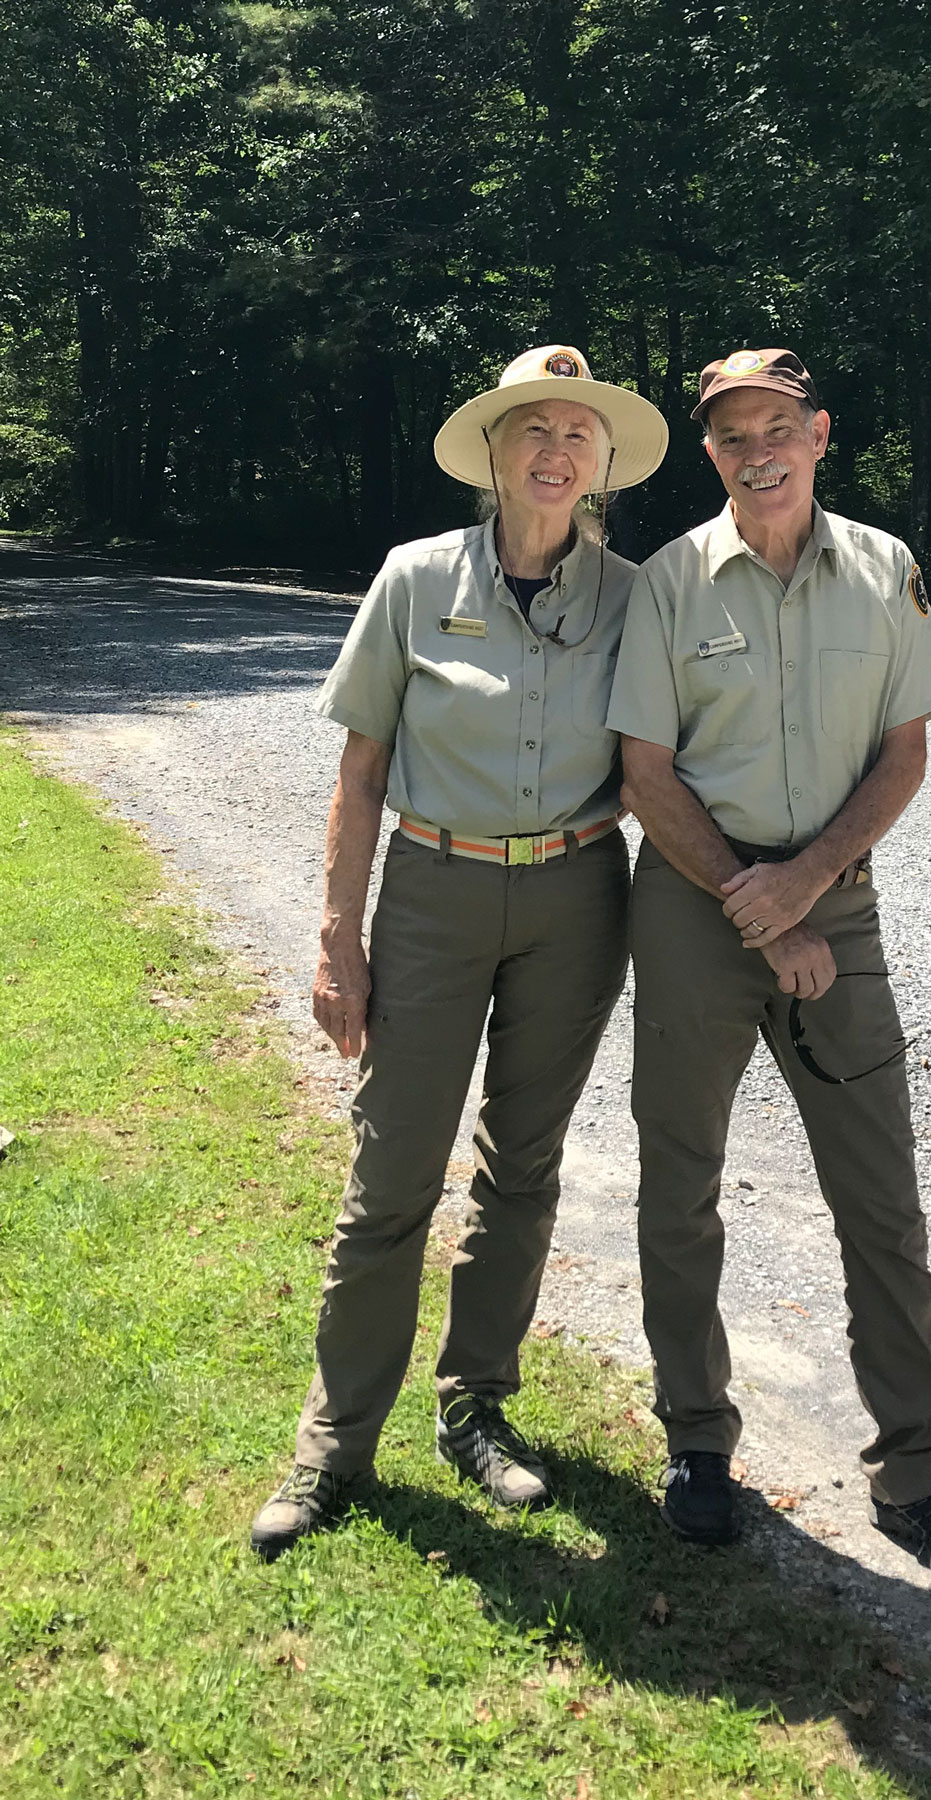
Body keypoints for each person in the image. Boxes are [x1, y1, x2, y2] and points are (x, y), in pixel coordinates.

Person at [250, 346, 669, 1559]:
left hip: (579, 898)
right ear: (491, 454)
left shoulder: (636, 597)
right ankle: (334, 1448)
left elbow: (673, 760)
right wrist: (338, 937)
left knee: (524, 1167)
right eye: (530, 429)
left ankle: (474, 1407)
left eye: (576, 435)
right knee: (390, 1179)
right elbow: (361, 768)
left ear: (600, 468)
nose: (554, 449)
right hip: (432, 893)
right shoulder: (414, 578)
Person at [606, 347, 931, 1586]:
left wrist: (810, 887)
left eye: (776, 424)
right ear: (710, 452)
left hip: (840, 905)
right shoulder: (669, 580)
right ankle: (699, 1445)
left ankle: (916, 1475)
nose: (755, 450)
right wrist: (762, 911)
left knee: (879, 1196)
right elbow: (643, 775)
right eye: (730, 435)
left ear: (820, 432)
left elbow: (903, 757)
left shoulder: (885, 571)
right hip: (692, 906)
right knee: (680, 1187)